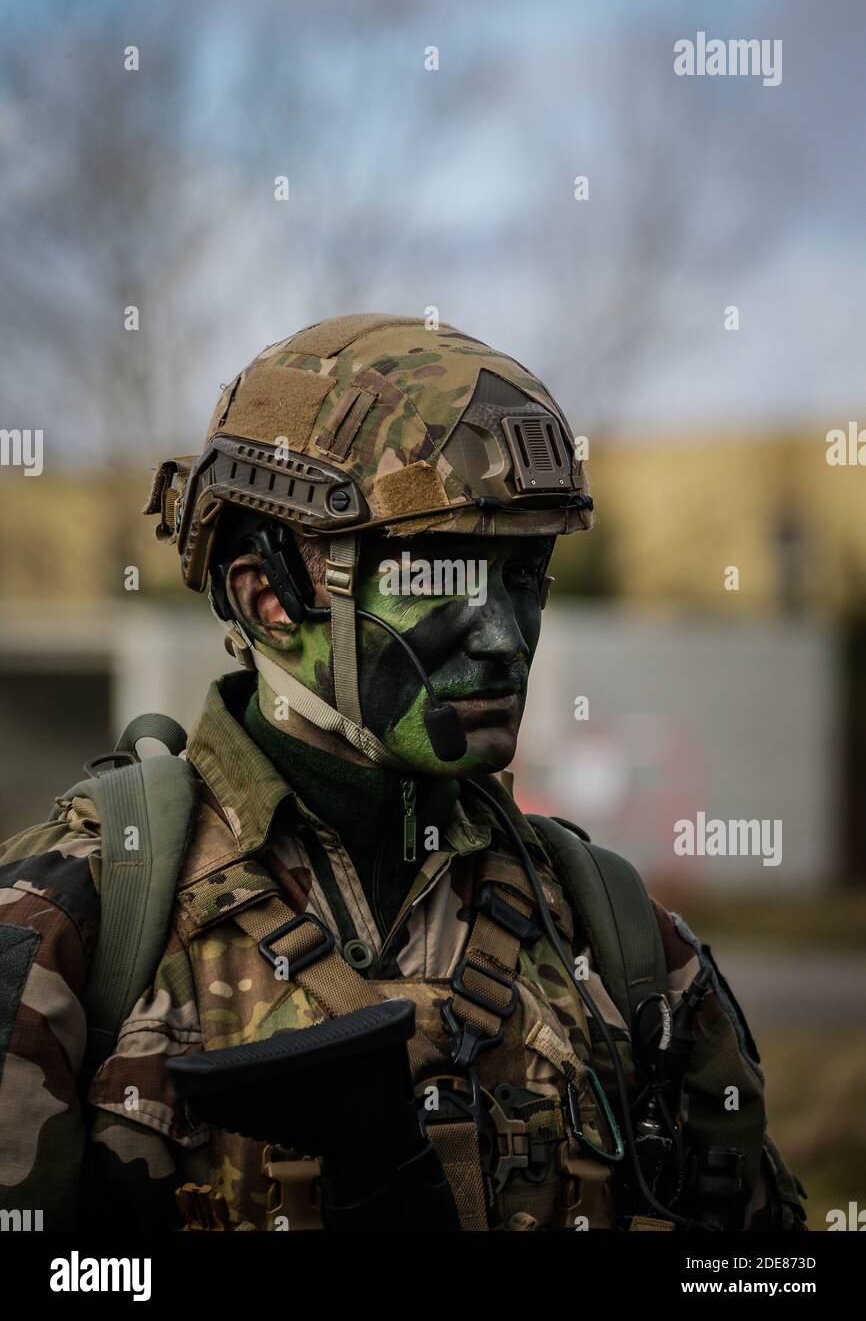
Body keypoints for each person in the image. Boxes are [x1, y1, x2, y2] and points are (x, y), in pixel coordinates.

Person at [0, 313, 807, 1232]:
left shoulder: (614, 934)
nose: (505, 638)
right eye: (440, 578)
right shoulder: (77, 922)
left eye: (523, 575)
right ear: (268, 598)